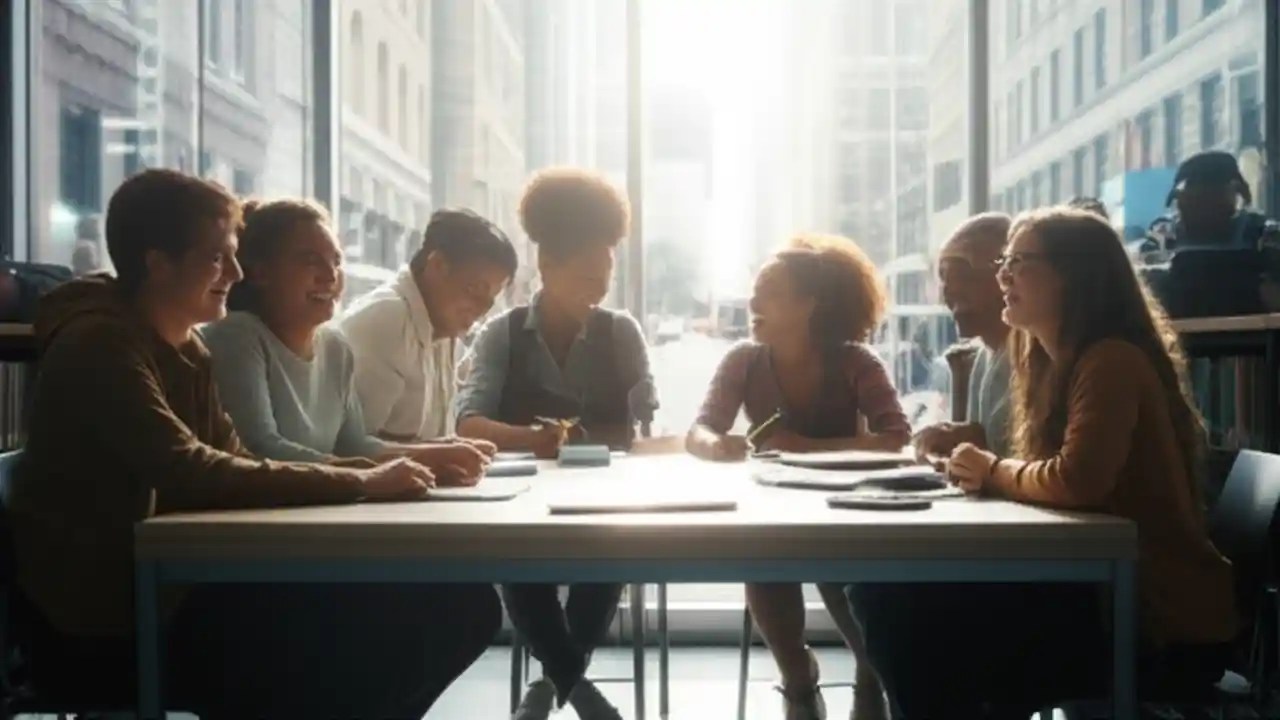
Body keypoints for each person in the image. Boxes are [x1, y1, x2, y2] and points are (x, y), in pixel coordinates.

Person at [7, 169, 501, 718]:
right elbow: (188, 468)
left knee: (461, 602)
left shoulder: (186, 346)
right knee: (417, 616)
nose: (236, 273)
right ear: (157, 262)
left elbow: (235, 458)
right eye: (218, 258)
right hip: (109, 623)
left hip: (183, 588)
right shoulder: (99, 345)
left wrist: (374, 473)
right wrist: (362, 480)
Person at [848, 208, 1238, 719]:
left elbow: (1077, 479)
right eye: (1004, 260)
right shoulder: (1050, 362)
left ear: (1075, 276)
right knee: (889, 598)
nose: (1002, 274)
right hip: (1099, 595)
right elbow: (1054, 472)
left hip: (1151, 618)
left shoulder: (1110, 361)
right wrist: (992, 461)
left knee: (899, 612)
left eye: (1020, 261)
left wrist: (991, 469)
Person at [455, 169, 655, 720]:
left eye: (606, 273)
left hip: (604, 495)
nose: (599, 286)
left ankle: (551, 686)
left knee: (611, 551)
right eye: (587, 273)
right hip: (522, 497)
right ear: (547, 267)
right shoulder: (502, 333)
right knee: (520, 554)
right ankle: (580, 691)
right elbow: (468, 424)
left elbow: (642, 429)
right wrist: (536, 441)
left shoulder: (622, 333)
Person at [687, 235, 911, 720]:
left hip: (848, 507)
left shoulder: (856, 362)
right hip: (773, 506)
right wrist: (717, 444)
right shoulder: (742, 360)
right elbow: (700, 429)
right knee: (764, 562)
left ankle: (869, 671)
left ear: (810, 304)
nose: (752, 301)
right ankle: (798, 680)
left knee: (838, 573)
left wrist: (807, 448)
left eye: (769, 290)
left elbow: (897, 438)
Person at [203, 197, 494, 482]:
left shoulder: (334, 347)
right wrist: (369, 474)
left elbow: (356, 444)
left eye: (336, 261)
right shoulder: (237, 336)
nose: (330, 275)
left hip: (320, 512)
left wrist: (437, 455)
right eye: (310, 261)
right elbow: (259, 449)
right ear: (260, 272)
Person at [340, 207, 518, 443]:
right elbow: (352, 449)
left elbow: (437, 439)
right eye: (475, 288)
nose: (483, 308)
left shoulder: (443, 327)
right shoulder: (388, 318)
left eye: (491, 298)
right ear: (437, 266)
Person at [913, 213, 1012, 462]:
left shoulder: (1037, 355)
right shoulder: (980, 358)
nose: (950, 290)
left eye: (966, 277)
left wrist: (974, 440)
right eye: (944, 277)